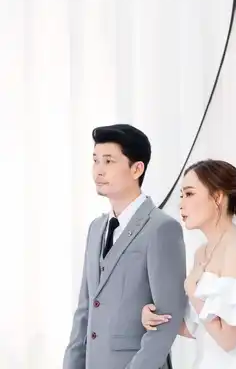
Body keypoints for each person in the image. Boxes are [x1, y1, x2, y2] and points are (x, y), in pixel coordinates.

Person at [63, 124, 187, 369]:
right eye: (95, 160)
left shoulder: (162, 228)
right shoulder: (96, 228)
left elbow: (167, 320)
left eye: (109, 161)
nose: (98, 170)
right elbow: (85, 310)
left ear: (137, 169)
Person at [141, 159, 236, 369]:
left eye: (189, 194)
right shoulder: (202, 252)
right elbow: (199, 329)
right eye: (181, 195)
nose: (181, 204)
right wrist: (156, 318)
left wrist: (192, 291)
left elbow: (229, 340)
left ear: (217, 197)